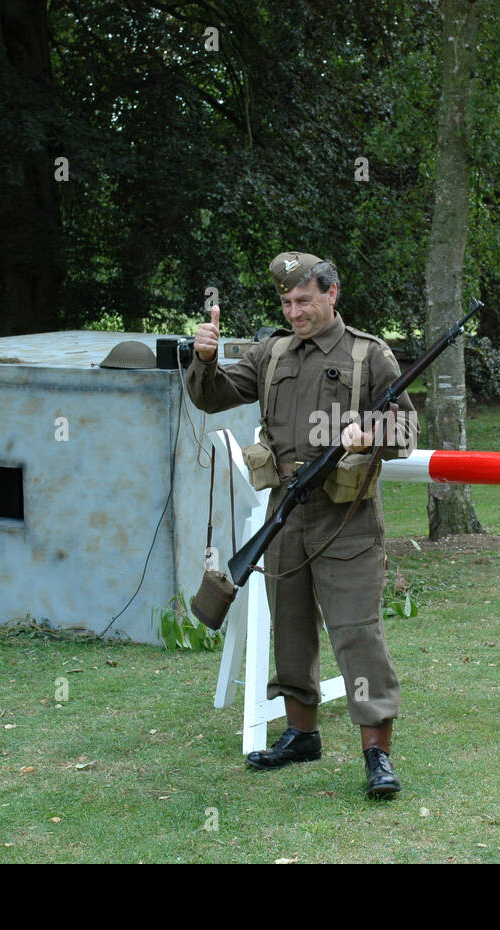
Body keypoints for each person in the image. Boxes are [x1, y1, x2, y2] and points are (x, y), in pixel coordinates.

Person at [186, 251, 417, 798]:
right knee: (288, 626)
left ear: (331, 294)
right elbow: (213, 396)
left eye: (304, 300)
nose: (294, 311)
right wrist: (205, 358)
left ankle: (376, 754)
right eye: (287, 302)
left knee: (357, 635)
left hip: (347, 518)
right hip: (285, 509)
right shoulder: (271, 352)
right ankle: (301, 734)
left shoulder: (367, 355)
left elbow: (405, 428)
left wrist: (372, 434)